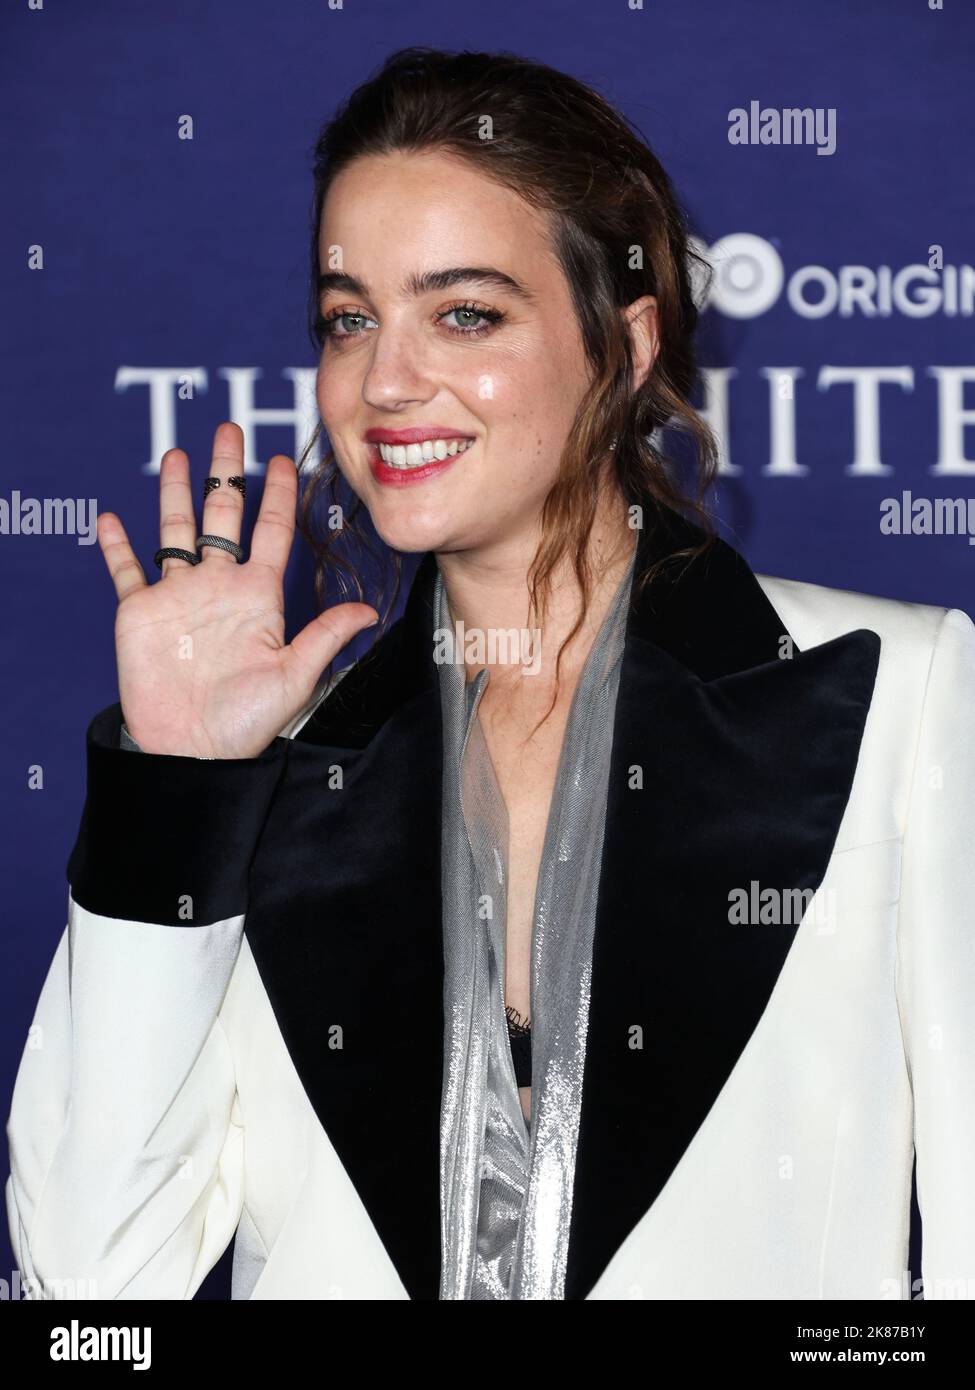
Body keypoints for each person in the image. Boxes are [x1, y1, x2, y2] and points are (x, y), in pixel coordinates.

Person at [6, 46, 975, 1303]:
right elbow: (92, 1291)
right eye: (349, 319)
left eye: (464, 312)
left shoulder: (898, 692)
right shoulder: (267, 754)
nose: (387, 382)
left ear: (623, 347)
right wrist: (178, 789)